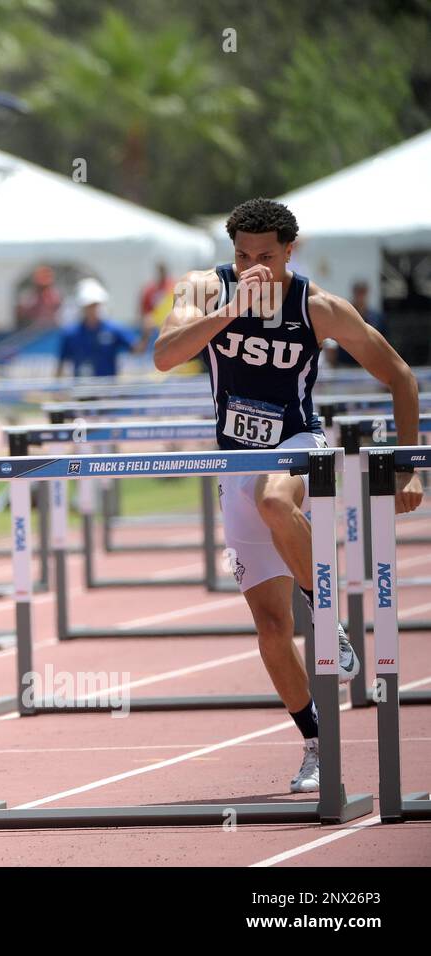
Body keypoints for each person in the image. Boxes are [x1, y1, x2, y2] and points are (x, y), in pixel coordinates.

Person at [155, 197, 423, 794]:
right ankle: (316, 741)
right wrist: (231, 309)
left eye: (267, 257)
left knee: (278, 502)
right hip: (234, 458)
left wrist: (409, 467)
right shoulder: (203, 291)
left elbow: (399, 374)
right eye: (243, 255)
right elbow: (165, 356)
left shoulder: (316, 306)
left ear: (289, 251)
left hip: (300, 442)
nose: (255, 267)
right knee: (271, 629)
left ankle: (327, 617)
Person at [56, 279, 145, 379]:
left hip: (108, 390)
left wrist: (146, 334)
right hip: (81, 390)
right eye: (89, 306)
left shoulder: (113, 329)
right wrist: (58, 390)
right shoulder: (71, 334)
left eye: (95, 305)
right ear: (82, 307)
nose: (93, 309)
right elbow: (61, 364)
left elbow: (137, 350)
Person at [326, 281, 387, 367]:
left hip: (369, 365)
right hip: (345, 364)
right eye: (358, 291)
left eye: (363, 292)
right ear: (354, 292)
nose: (360, 295)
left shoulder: (376, 317)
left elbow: (382, 342)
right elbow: (333, 340)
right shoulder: (343, 315)